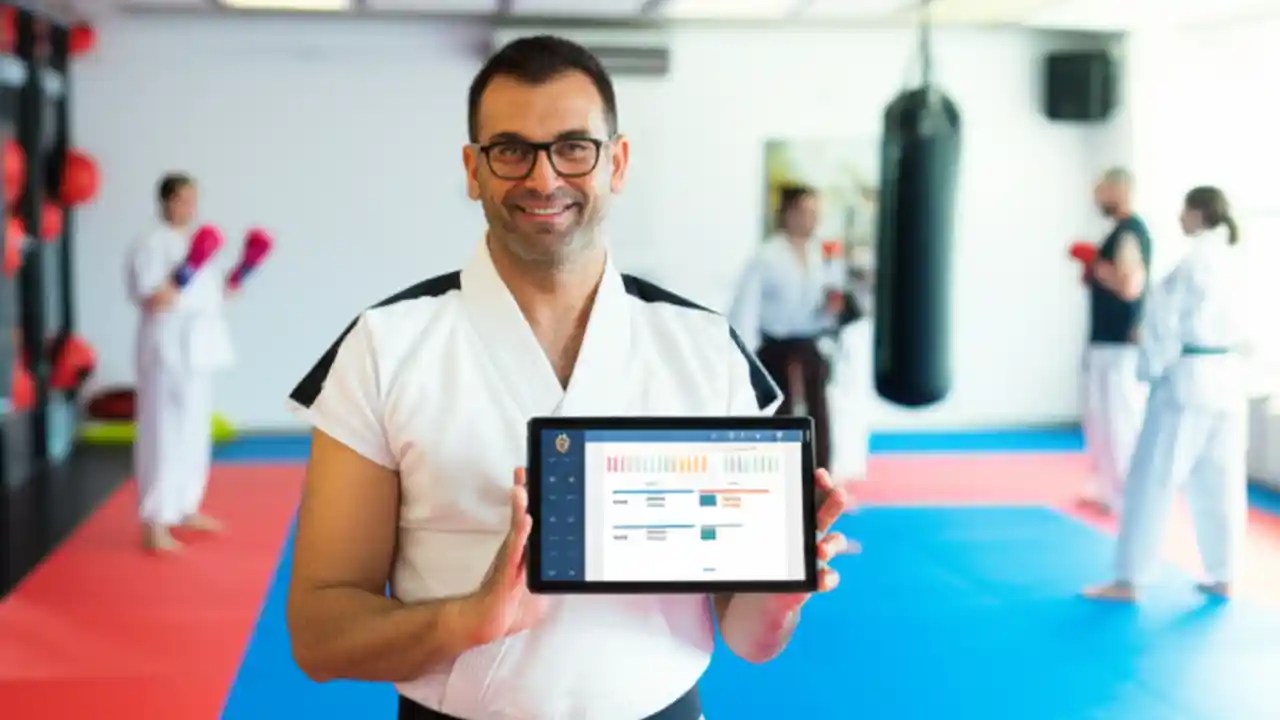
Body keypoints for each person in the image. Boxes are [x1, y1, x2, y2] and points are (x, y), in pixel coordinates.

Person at [284, 36, 854, 720]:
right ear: (473, 168)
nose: (544, 177)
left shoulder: (704, 349)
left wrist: (779, 594)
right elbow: (320, 637)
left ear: (617, 162)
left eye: (574, 147)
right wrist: (470, 618)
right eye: (510, 149)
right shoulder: (387, 345)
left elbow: (749, 638)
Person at [1084, 186, 1251, 603]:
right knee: (1222, 480)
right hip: (1231, 378)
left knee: (1151, 479)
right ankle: (1224, 573)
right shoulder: (1239, 263)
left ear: (1198, 214)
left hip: (1189, 378)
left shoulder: (1191, 266)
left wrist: (1149, 369)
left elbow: (1160, 326)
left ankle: (1128, 580)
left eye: (1184, 210)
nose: (1179, 217)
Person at [126, 173, 235, 552]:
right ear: (167, 201)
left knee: (193, 432)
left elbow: (221, 294)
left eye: (194, 199)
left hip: (200, 350)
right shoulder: (150, 244)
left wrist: (248, 266)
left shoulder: (196, 242)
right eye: (184, 199)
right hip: (167, 351)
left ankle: (186, 506)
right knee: (164, 434)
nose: (191, 207)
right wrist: (188, 267)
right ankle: (154, 522)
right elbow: (155, 298)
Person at [728, 184, 860, 474]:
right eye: (803, 211)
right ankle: (779, 478)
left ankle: (822, 478)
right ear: (786, 213)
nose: (809, 218)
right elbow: (744, 310)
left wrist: (833, 309)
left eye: (814, 212)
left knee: (819, 415)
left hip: (810, 343)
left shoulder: (825, 254)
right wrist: (742, 357)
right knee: (781, 415)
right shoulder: (766, 256)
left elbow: (834, 300)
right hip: (775, 347)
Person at [1078, 167, 1153, 515]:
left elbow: (1130, 286)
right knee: (1100, 420)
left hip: (1120, 346)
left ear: (1119, 191)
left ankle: (1129, 496)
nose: (1096, 199)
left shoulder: (1130, 233)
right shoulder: (1117, 233)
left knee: (1121, 421)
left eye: (1101, 191)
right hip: (1104, 341)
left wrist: (1096, 264)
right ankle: (1111, 490)